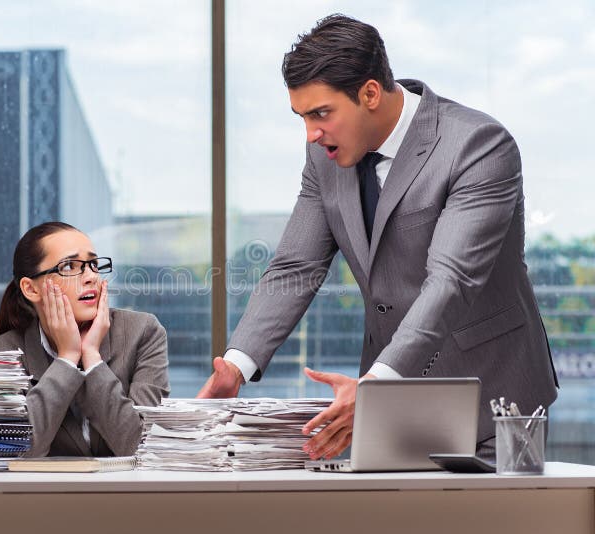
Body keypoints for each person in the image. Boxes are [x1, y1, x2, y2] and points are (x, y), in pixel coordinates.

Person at [198, 14, 558, 461]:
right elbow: (296, 265)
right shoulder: (324, 157)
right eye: (302, 117)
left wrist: (376, 388)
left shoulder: (477, 145)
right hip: (384, 400)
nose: (311, 134)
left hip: (491, 398)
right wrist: (236, 364)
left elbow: (451, 280)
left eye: (320, 114)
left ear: (370, 93)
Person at [0, 221, 170, 457]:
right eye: (70, 266)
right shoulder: (2, 355)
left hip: (126, 492)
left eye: (93, 264)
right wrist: (67, 359)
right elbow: (19, 451)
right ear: (31, 289)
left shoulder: (143, 332)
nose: (91, 276)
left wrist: (91, 357)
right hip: (46, 494)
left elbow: (142, 447)